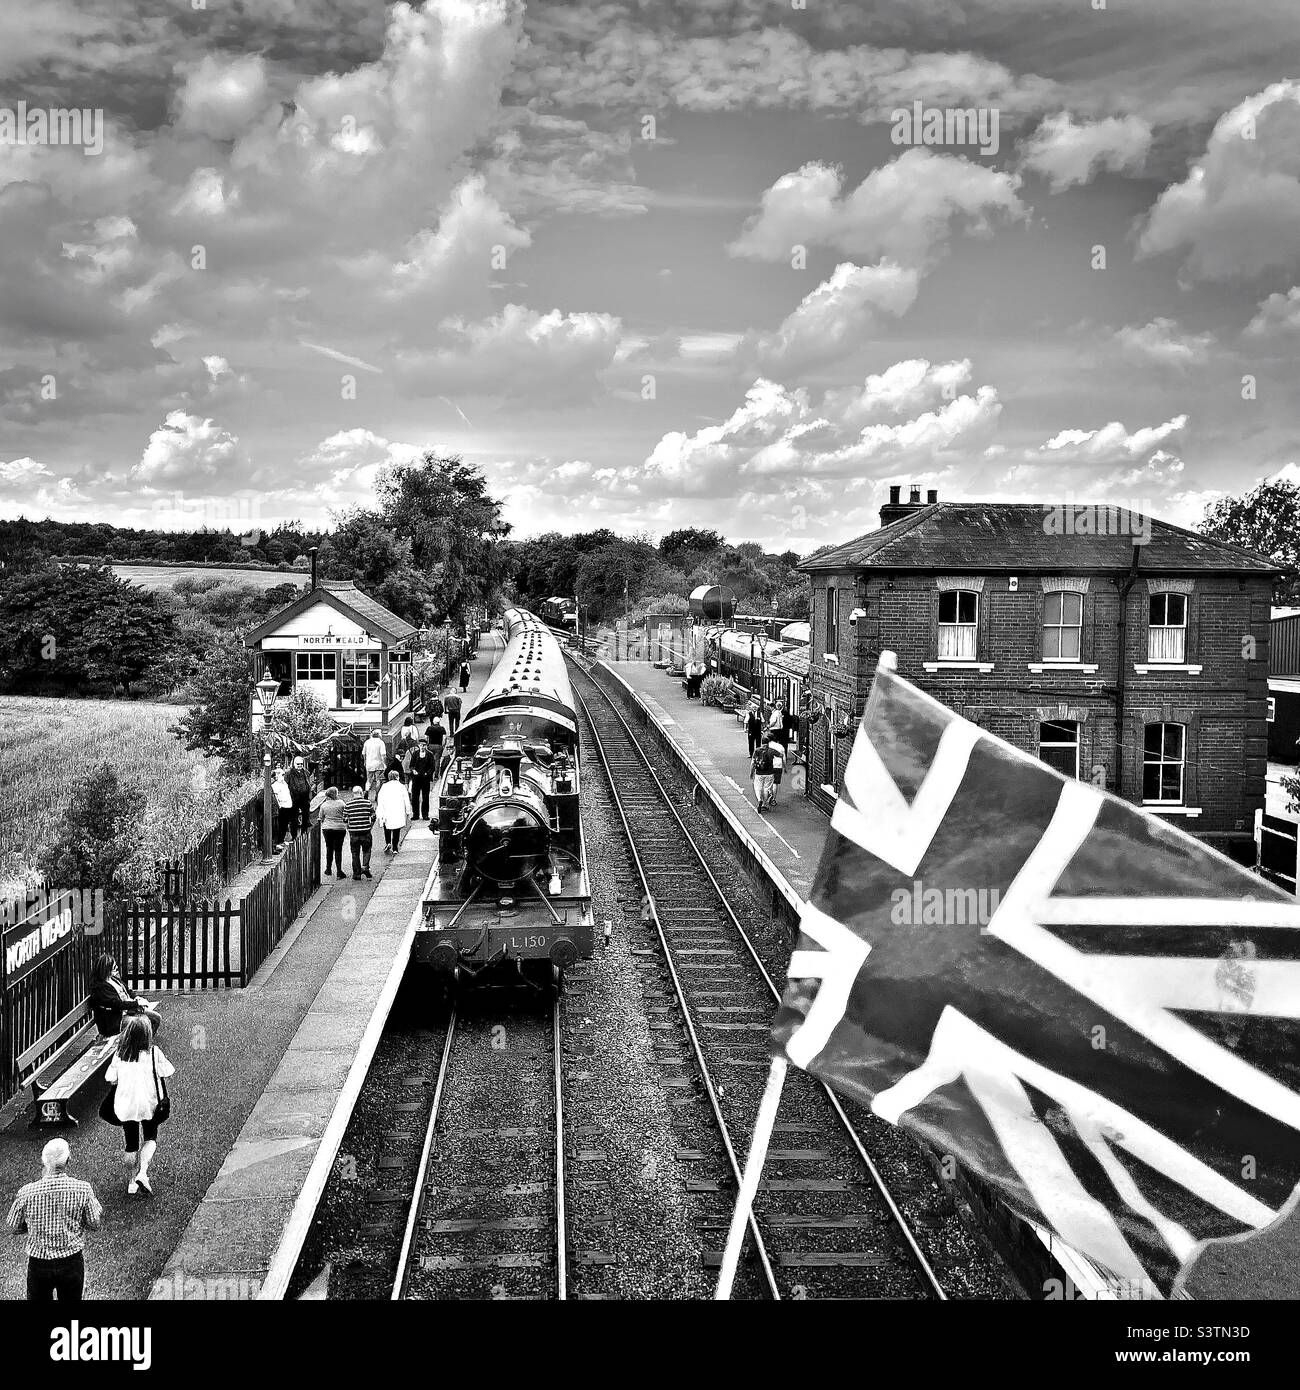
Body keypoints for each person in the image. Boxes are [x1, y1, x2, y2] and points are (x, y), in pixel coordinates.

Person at [6, 1138, 102, 1302]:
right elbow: (94, 1223)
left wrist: (32, 1226)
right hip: (71, 1260)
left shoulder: (26, 1192)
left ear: (43, 1161)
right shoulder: (82, 1189)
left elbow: (13, 1226)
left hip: (39, 1263)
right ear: (68, 1161)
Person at [105, 1016, 174, 1196]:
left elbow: (110, 1079)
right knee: (150, 1137)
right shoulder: (154, 1052)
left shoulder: (120, 1054)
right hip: (149, 1103)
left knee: (131, 1144)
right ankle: (143, 1173)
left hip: (126, 1104)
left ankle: (131, 1181)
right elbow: (167, 1071)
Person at [375, 771, 412, 854]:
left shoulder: (384, 786)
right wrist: (408, 811)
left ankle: (388, 842)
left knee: (387, 826)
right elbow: (406, 800)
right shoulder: (401, 787)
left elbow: (380, 798)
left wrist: (380, 810)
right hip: (398, 810)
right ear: (397, 777)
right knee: (396, 829)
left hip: (387, 809)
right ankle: (395, 847)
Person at [343, 785, 375, 880]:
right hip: (366, 831)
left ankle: (357, 874)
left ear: (353, 794)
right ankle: (365, 867)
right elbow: (373, 816)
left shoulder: (348, 805)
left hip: (354, 832)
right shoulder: (367, 803)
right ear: (361, 793)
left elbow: (345, 819)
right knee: (367, 850)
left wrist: (349, 827)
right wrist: (370, 826)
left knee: (355, 853)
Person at [319, 786, 347, 877]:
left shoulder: (324, 805)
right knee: (338, 849)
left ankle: (328, 869)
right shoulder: (341, 803)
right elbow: (345, 814)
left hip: (327, 828)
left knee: (329, 848)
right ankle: (339, 871)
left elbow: (321, 817)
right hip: (339, 828)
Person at [408, 739, 437, 821]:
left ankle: (425, 814)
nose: (422, 747)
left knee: (425, 797)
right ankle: (415, 814)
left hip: (425, 779)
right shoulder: (415, 754)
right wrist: (413, 770)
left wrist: (427, 773)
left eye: (424, 745)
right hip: (416, 778)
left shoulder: (430, 754)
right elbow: (411, 765)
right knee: (415, 797)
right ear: (418, 745)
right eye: (421, 745)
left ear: (426, 746)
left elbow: (432, 767)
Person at [286, 755, 313, 837]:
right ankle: (294, 836)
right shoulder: (289, 773)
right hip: (294, 798)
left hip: (304, 798)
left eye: (301, 764)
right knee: (293, 818)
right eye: (298, 764)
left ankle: (304, 833)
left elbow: (309, 783)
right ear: (294, 764)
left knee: (306, 816)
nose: (300, 766)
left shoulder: (305, 772)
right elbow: (286, 785)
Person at [362, 730, 388, 801]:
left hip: (369, 763)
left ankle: (366, 791)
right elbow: (383, 755)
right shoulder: (381, 742)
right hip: (379, 763)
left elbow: (363, 753)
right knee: (378, 780)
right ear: (379, 735)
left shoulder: (367, 742)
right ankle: (377, 795)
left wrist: (365, 761)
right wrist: (384, 764)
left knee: (369, 780)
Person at [271, 767, 295, 843]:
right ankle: (279, 841)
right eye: (282, 775)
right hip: (282, 807)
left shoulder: (284, 783)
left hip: (288, 806)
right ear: (277, 776)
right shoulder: (275, 785)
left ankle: (282, 839)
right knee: (281, 825)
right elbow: (275, 797)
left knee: (285, 824)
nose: (283, 776)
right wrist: (279, 806)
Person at [751, 740, 775, 813]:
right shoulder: (771, 751)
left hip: (759, 773)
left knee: (758, 787)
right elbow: (780, 757)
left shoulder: (757, 750)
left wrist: (751, 772)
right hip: (769, 773)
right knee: (766, 788)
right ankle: (765, 804)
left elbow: (753, 762)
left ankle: (759, 800)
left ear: (762, 742)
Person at [767, 734, 786, 804]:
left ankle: (768, 795)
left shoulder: (767, 746)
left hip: (769, 766)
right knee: (775, 783)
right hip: (778, 766)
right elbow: (783, 758)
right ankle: (773, 799)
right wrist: (785, 767)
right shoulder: (780, 746)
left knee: (768, 783)